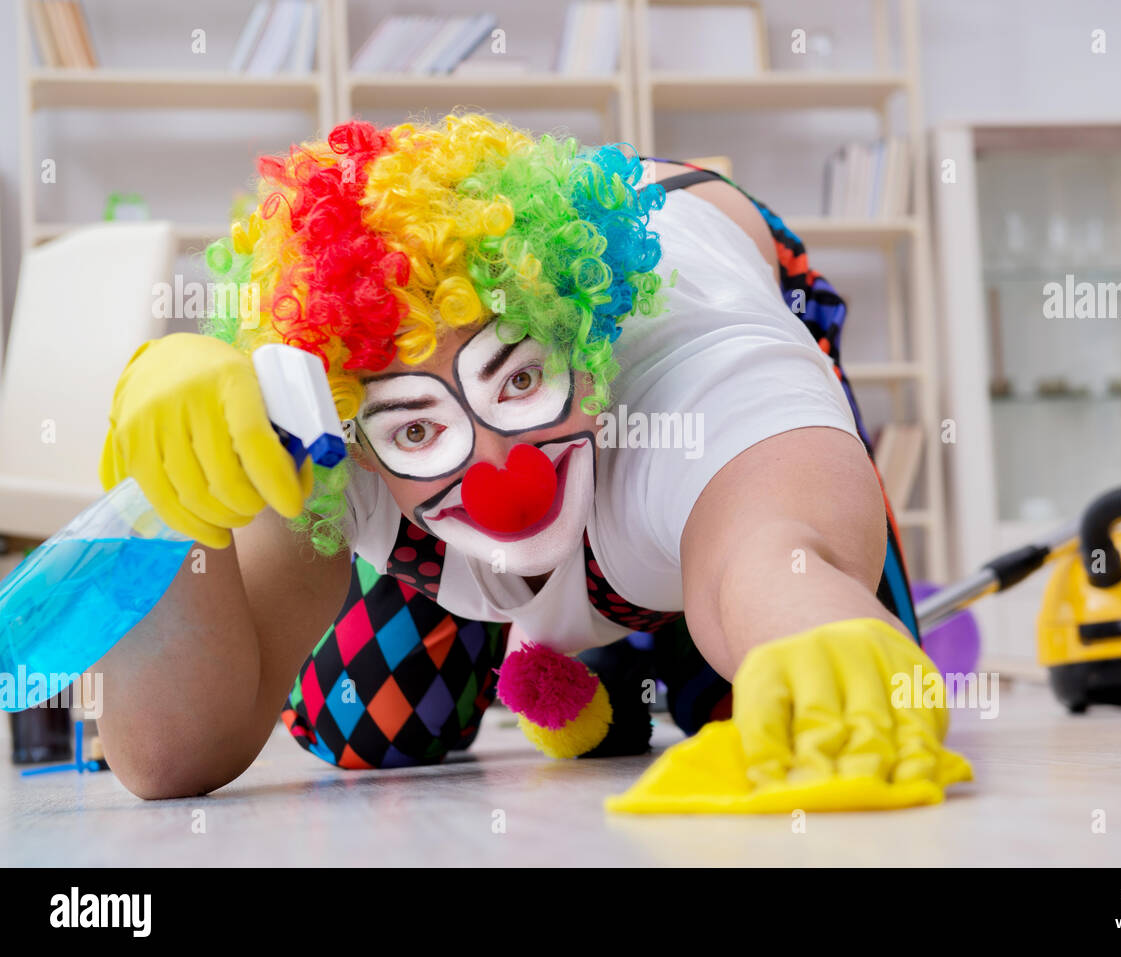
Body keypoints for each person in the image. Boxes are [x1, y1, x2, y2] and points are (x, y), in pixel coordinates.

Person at [95, 113, 964, 799]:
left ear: (584, 342)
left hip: (703, 267)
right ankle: (581, 652)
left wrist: (816, 629)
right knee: (363, 727)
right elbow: (170, 757)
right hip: (434, 486)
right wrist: (166, 498)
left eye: (519, 380)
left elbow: (772, 547)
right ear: (353, 434)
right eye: (414, 428)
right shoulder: (321, 438)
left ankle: (628, 646)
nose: (503, 472)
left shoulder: (684, 368)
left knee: (771, 697)